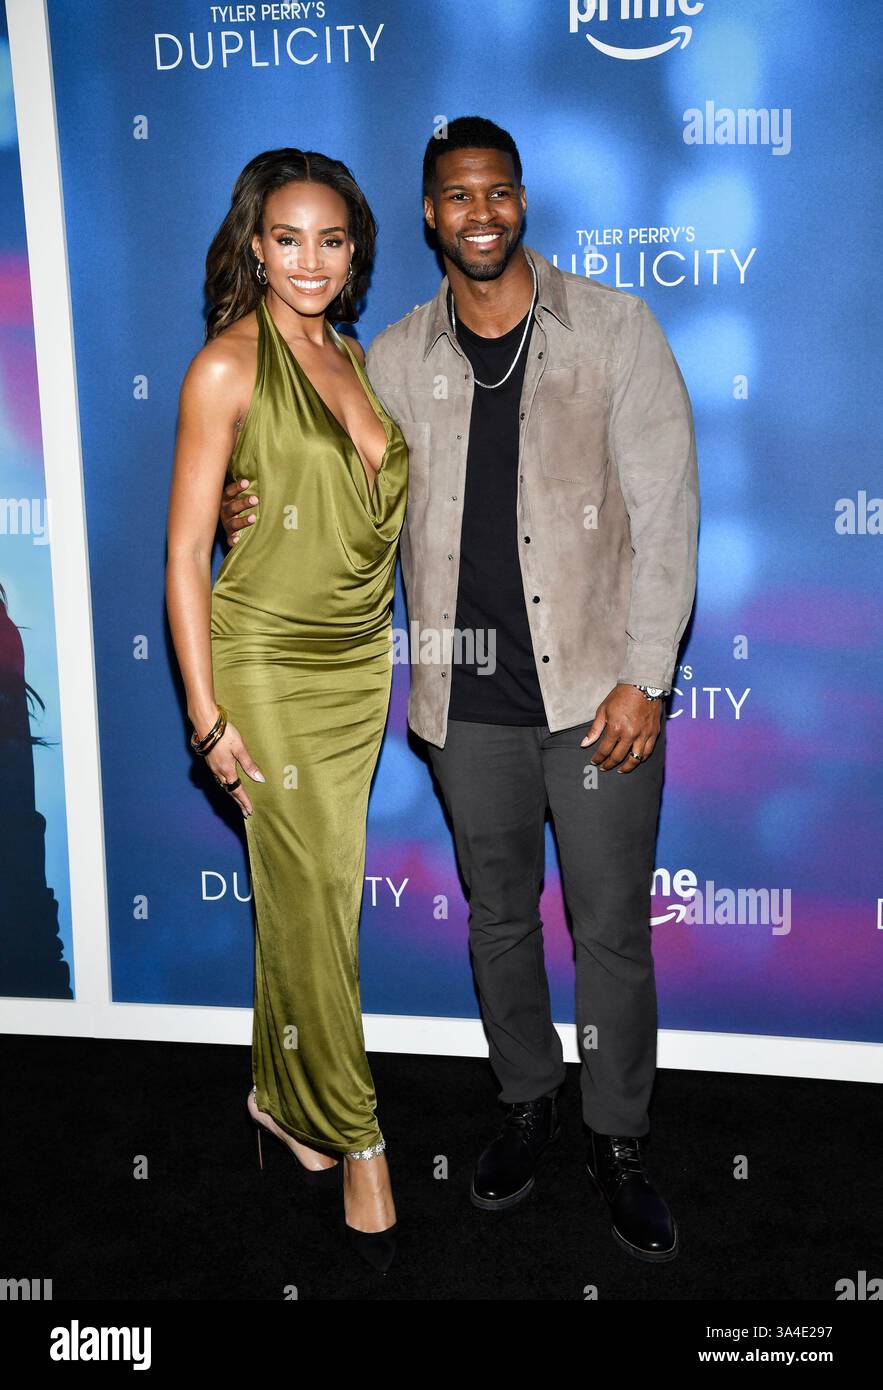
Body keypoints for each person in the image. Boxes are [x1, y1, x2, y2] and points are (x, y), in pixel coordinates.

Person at [220, 117, 699, 1263]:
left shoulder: (616, 329)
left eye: (497, 193)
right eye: (456, 196)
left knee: (610, 933)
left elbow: (669, 513)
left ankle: (617, 1134)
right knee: (496, 921)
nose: (479, 213)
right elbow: (334, 485)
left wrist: (645, 676)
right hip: (463, 704)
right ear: (430, 216)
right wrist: (251, 509)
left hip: (596, 698)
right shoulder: (391, 357)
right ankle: (527, 1100)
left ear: (518, 203)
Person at [166, 148, 407, 1275]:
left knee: (313, 902)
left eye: (332, 239)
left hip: (358, 665)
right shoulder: (225, 366)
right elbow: (180, 553)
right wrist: (207, 717)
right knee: (312, 897)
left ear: (354, 249)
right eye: (287, 238)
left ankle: (281, 1095)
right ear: (253, 245)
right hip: (261, 659)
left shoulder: (351, 351)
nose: (310, 260)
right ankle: (357, 1134)